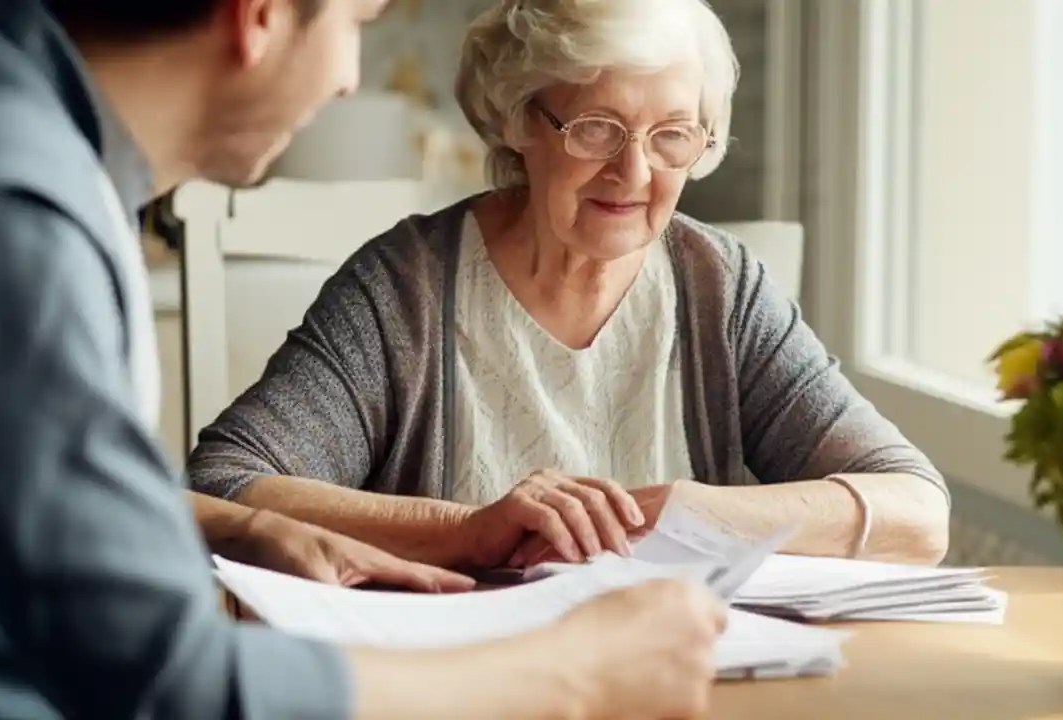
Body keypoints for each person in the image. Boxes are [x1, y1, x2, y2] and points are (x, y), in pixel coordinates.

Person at [0, 0, 727, 718]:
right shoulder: (2, 212)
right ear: (262, 16)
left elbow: (9, 506)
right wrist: (572, 672)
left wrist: (247, 524)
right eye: (354, 21)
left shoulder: (9, 144)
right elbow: (174, 683)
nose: (351, 76)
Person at [188, 0, 952, 571]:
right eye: (596, 127)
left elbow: (917, 510)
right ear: (519, 119)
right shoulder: (405, 289)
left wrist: (695, 513)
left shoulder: (722, 289)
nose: (635, 172)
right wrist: (463, 530)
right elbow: (224, 486)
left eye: (673, 135)